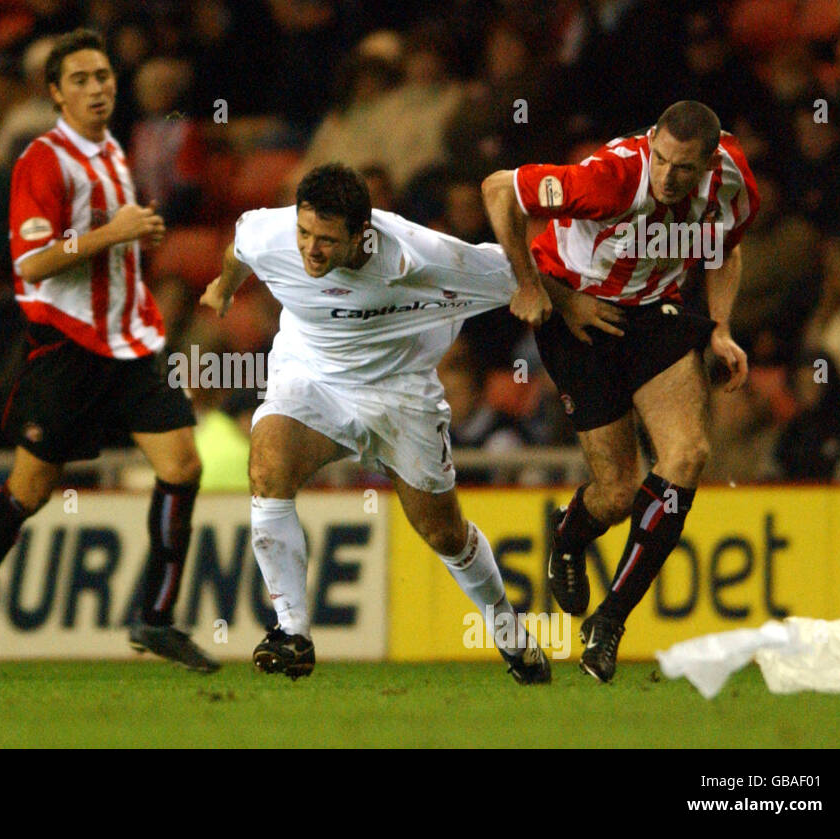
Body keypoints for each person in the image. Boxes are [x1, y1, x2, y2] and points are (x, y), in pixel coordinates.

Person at [200, 162, 552, 685]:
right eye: (303, 233)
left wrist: (535, 289)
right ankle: (291, 631)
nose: (309, 250)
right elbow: (238, 252)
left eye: (325, 240)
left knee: (442, 531)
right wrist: (223, 288)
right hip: (312, 378)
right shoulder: (269, 235)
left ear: (362, 233)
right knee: (268, 467)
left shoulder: (418, 254)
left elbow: (522, 270)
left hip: (401, 392)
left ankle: (507, 629)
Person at [0, 29, 217, 676]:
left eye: (104, 77)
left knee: (182, 464)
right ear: (57, 93)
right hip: (67, 351)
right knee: (29, 490)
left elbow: (105, 246)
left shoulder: (114, 153)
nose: (98, 88)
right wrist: (110, 232)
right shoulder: (43, 160)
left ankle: (154, 616)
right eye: (83, 79)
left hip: (129, 345)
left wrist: (134, 235)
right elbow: (32, 262)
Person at [481, 100, 759, 682]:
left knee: (688, 456)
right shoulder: (609, 179)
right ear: (651, 141)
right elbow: (499, 189)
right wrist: (541, 290)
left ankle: (608, 624)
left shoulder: (733, 180)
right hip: (578, 310)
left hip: (656, 309)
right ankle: (569, 533)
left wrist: (723, 327)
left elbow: (725, 249)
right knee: (617, 491)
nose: (666, 177)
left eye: (683, 169)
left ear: (709, 164)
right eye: (660, 159)